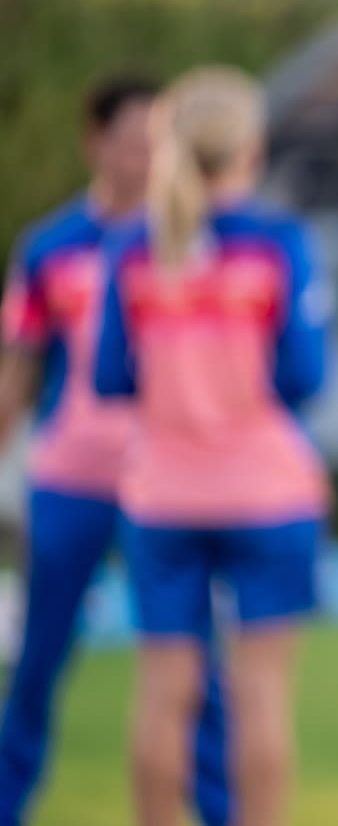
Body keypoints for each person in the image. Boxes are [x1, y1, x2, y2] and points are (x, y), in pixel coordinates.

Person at [93, 66, 330, 826]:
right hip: (267, 493)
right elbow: (303, 374)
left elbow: (107, 375)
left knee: (164, 691)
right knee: (260, 694)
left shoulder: (133, 248)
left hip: (162, 495)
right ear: (248, 149)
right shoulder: (279, 241)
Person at [0, 76, 230, 826]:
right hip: (71, 480)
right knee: (38, 666)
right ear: (95, 143)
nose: (144, 159)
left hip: (166, 486)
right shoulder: (49, 247)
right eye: (131, 143)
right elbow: (18, 369)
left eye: (156, 144)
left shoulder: (197, 244)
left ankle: (229, 811)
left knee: (196, 672)